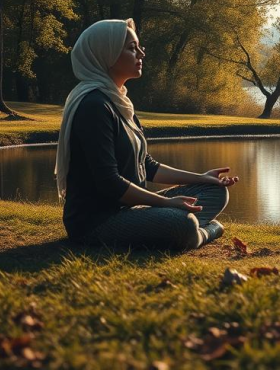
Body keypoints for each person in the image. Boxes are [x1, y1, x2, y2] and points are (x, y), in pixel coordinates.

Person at [54, 19, 239, 249]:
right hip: (98, 221)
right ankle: (206, 231)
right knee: (182, 222)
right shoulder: (93, 106)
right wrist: (166, 202)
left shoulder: (120, 102)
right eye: (132, 48)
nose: (141, 53)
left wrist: (202, 178)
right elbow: (109, 183)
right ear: (106, 55)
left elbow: (148, 165)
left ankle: (176, 227)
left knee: (215, 192)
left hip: (131, 211)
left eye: (139, 47)